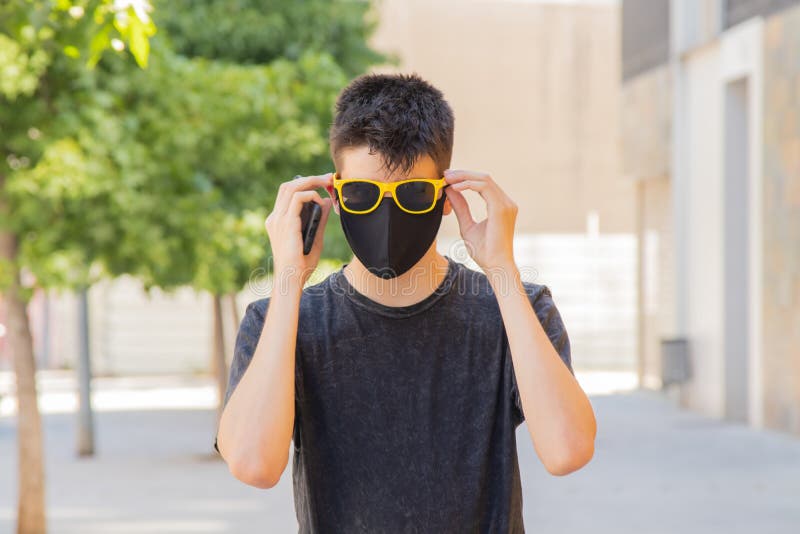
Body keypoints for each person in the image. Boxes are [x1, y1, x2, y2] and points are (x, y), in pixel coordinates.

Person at [214, 72, 597, 533]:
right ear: (334, 196)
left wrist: (501, 270)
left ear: (445, 196)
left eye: (414, 194)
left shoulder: (514, 309)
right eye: (363, 194)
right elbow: (254, 466)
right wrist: (289, 279)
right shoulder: (284, 320)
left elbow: (567, 451)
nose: (387, 215)